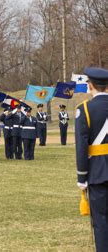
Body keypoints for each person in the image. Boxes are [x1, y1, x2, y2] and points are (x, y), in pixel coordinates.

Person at [75, 67, 108, 252]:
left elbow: (81, 147)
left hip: (97, 172)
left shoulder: (84, 109)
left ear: (90, 85)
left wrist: (82, 177)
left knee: (101, 221)